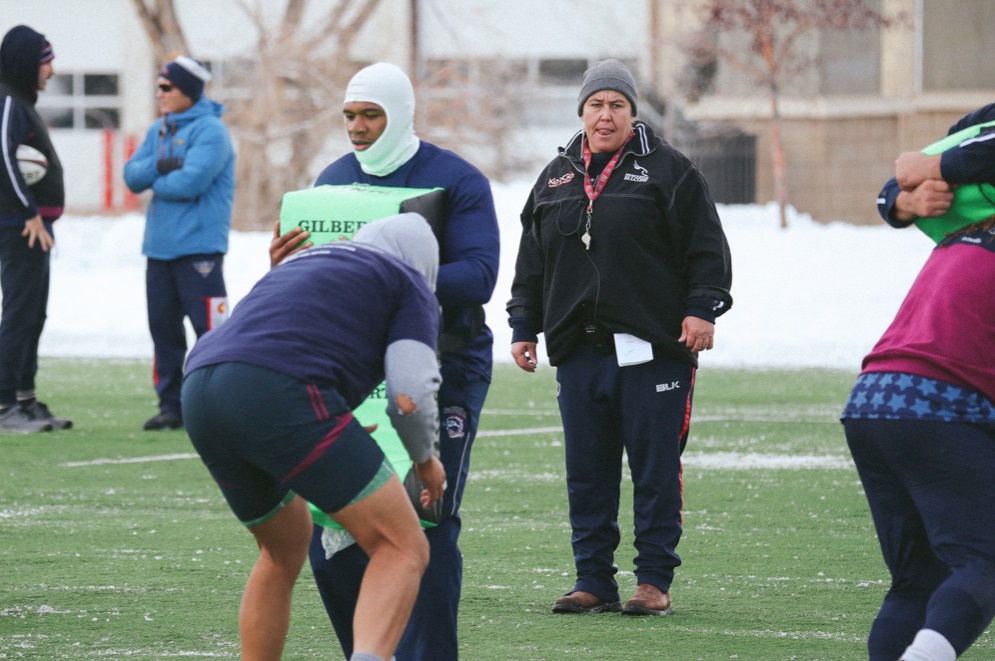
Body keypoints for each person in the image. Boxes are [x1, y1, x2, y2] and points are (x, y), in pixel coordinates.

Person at [269, 62, 499, 659]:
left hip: (445, 363)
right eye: (349, 115)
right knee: (336, 517)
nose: (358, 127)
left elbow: (478, 277)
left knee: (428, 515)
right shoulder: (331, 181)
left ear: (401, 115)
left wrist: (382, 271)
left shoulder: (457, 180)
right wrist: (285, 260)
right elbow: (312, 281)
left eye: (371, 115)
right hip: (354, 370)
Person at [507, 59, 733, 616]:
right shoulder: (556, 175)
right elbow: (531, 260)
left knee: (654, 469)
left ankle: (653, 582)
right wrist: (522, 324)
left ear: (633, 113)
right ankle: (593, 580)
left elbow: (706, 249)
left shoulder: (670, 171)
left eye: (616, 105)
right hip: (579, 352)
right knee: (587, 471)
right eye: (595, 105)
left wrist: (703, 310)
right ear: (581, 111)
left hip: (653, 350)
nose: (604, 116)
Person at [182, 213, 446, 661]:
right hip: (279, 389)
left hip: (200, 386)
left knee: (283, 547)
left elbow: (282, 336)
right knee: (401, 546)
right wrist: (425, 460)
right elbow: (410, 395)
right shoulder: (406, 280)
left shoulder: (300, 264)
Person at [841, 104, 995, 661]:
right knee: (985, 562)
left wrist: (908, 190)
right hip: (938, 404)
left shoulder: (958, 241)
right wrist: (914, 179)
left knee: (916, 580)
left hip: (870, 401)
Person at [124, 55, 235, 432]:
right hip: (159, 250)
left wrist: (154, 179)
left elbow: (191, 182)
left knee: (212, 332)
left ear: (188, 90)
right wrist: (160, 166)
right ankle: (171, 406)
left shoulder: (212, 131)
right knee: (163, 330)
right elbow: (131, 175)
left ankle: (221, 406)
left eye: (166, 87)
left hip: (200, 251)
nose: (160, 93)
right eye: (158, 86)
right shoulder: (159, 130)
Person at [0, 25, 71, 433]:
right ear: (28, 64)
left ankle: (25, 400)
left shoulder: (21, 101)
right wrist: (29, 212)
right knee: (19, 313)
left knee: (34, 314)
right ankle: (5, 404)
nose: (52, 70)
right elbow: (4, 157)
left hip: (35, 225)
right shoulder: (9, 101)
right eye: (46, 62)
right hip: (21, 226)